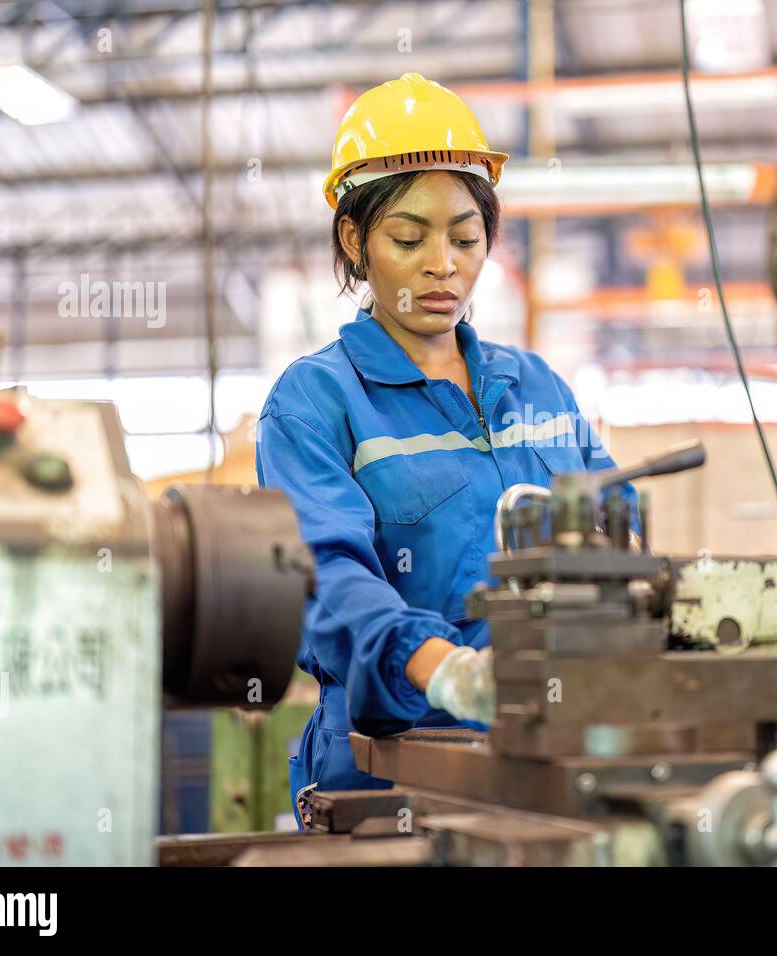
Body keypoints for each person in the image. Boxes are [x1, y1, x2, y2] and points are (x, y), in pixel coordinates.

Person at [255, 72, 640, 820]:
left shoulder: (537, 388)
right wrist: (447, 673)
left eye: (466, 237)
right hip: (388, 782)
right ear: (353, 240)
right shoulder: (313, 406)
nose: (444, 263)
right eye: (409, 237)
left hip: (549, 765)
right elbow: (326, 581)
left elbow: (616, 526)